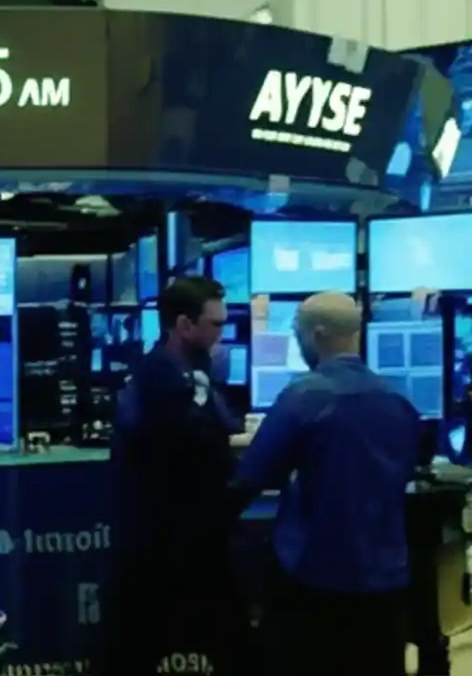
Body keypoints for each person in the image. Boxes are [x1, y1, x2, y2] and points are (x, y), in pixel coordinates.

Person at [231, 292, 418, 676]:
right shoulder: (400, 398)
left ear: (315, 335)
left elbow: (253, 475)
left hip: (315, 578)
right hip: (386, 578)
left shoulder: (303, 397)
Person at [105, 276, 250, 676]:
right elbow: (205, 452)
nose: (223, 335)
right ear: (185, 326)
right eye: (215, 325)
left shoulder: (183, 371)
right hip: (167, 548)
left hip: (177, 544)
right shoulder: (164, 382)